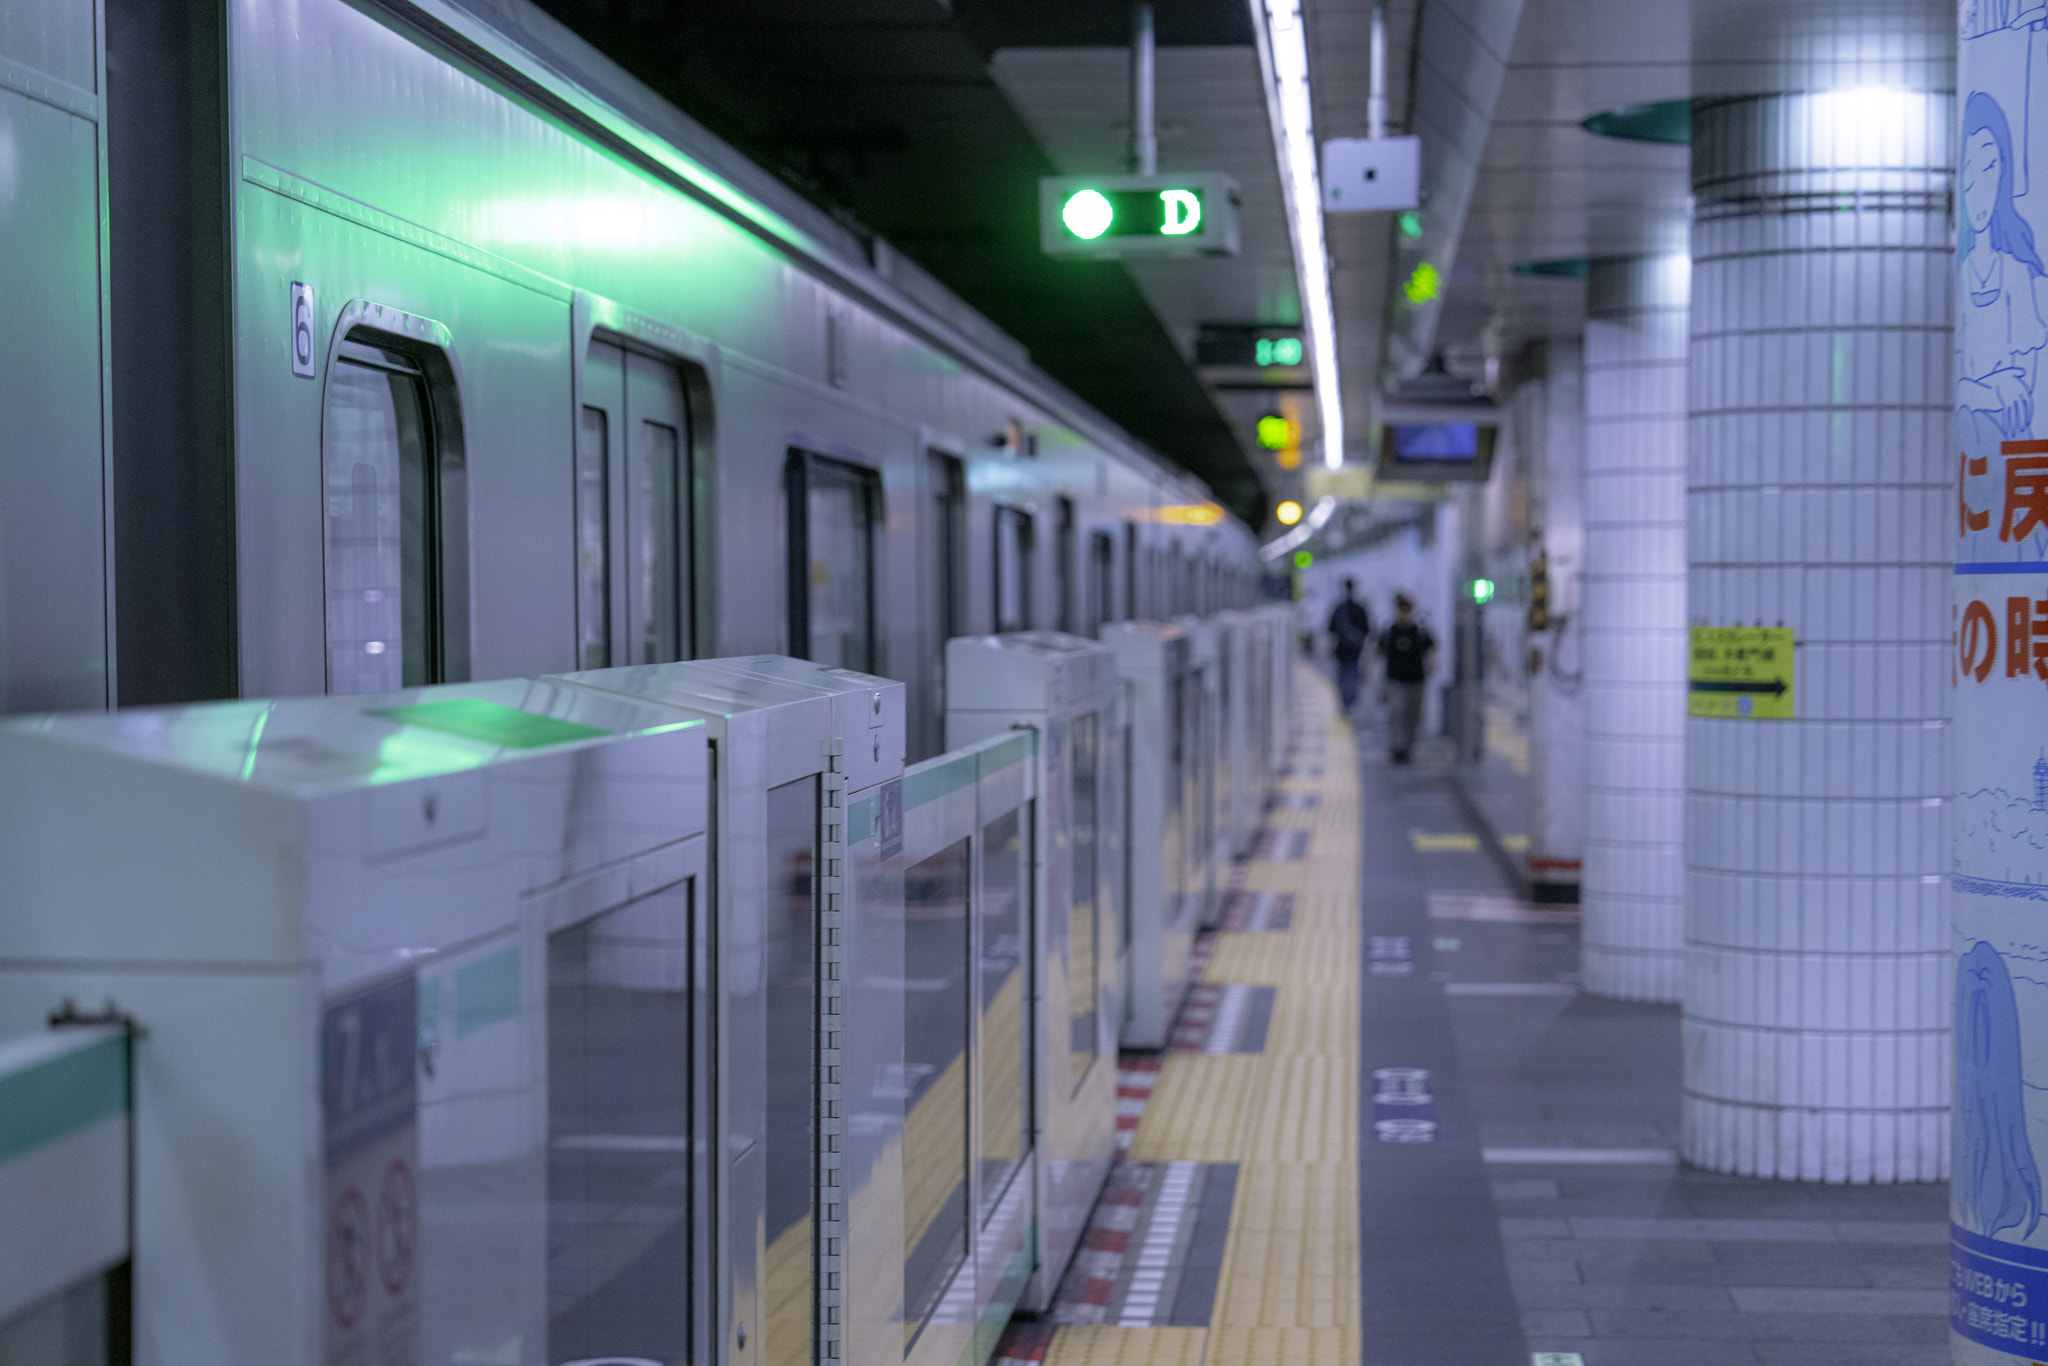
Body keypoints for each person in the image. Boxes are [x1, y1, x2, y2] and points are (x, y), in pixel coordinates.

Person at [1378, 593, 1436, 764]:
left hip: (1416, 680)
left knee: (1413, 715)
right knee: (1396, 712)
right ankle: (1398, 746)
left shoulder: (1419, 631)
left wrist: (1432, 665)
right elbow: (1378, 651)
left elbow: (1432, 648)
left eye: (1407, 610)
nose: (1403, 614)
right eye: (1401, 609)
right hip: (1395, 680)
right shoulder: (1390, 631)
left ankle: (1408, 746)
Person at [1326, 579, 1372, 710]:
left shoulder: (1339, 609)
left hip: (1342, 650)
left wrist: (1330, 649)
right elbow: (1366, 633)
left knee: (1343, 677)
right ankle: (1349, 704)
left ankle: (1344, 703)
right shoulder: (1360, 609)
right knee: (1352, 677)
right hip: (1355, 650)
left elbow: (1332, 633)